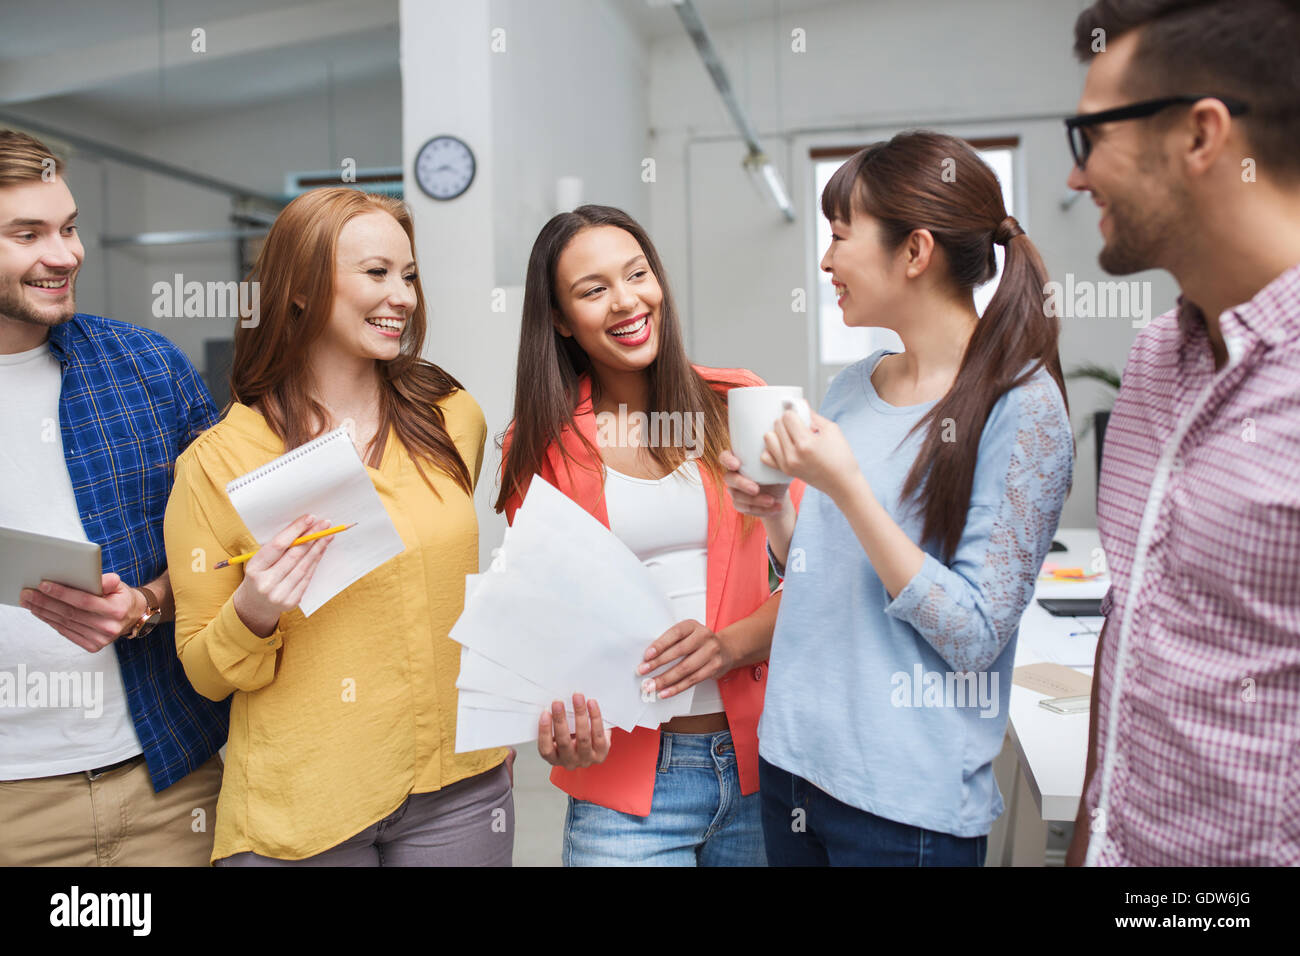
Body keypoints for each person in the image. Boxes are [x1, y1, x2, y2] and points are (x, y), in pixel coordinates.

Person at [723, 131, 1074, 866]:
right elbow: (826, 573)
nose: (825, 261)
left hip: (901, 805)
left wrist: (848, 488)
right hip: (793, 768)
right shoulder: (855, 383)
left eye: (840, 237)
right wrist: (779, 513)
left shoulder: (1022, 408)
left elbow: (976, 635)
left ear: (915, 251)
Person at [164, 187, 512, 865]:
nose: (403, 296)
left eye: (408, 276)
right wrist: (254, 609)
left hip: (461, 785)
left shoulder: (451, 416)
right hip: (308, 805)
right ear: (298, 290)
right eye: (377, 273)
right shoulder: (219, 464)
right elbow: (204, 672)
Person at [1063, 0, 1300, 867]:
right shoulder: (1157, 359)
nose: (1078, 179)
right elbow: (1130, 629)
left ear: (1202, 136)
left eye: (1090, 138)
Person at [495, 204, 794, 866]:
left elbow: (809, 578)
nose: (626, 301)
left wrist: (726, 646)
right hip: (626, 790)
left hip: (759, 767)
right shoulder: (538, 448)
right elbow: (542, 626)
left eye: (637, 274)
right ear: (559, 319)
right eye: (593, 289)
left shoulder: (736, 403)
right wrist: (556, 723)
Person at [0, 129, 226, 866]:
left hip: (167, 783)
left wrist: (149, 604)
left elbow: (237, 542)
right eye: (26, 234)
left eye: (67, 228)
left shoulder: (147, 367)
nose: (64, 255)